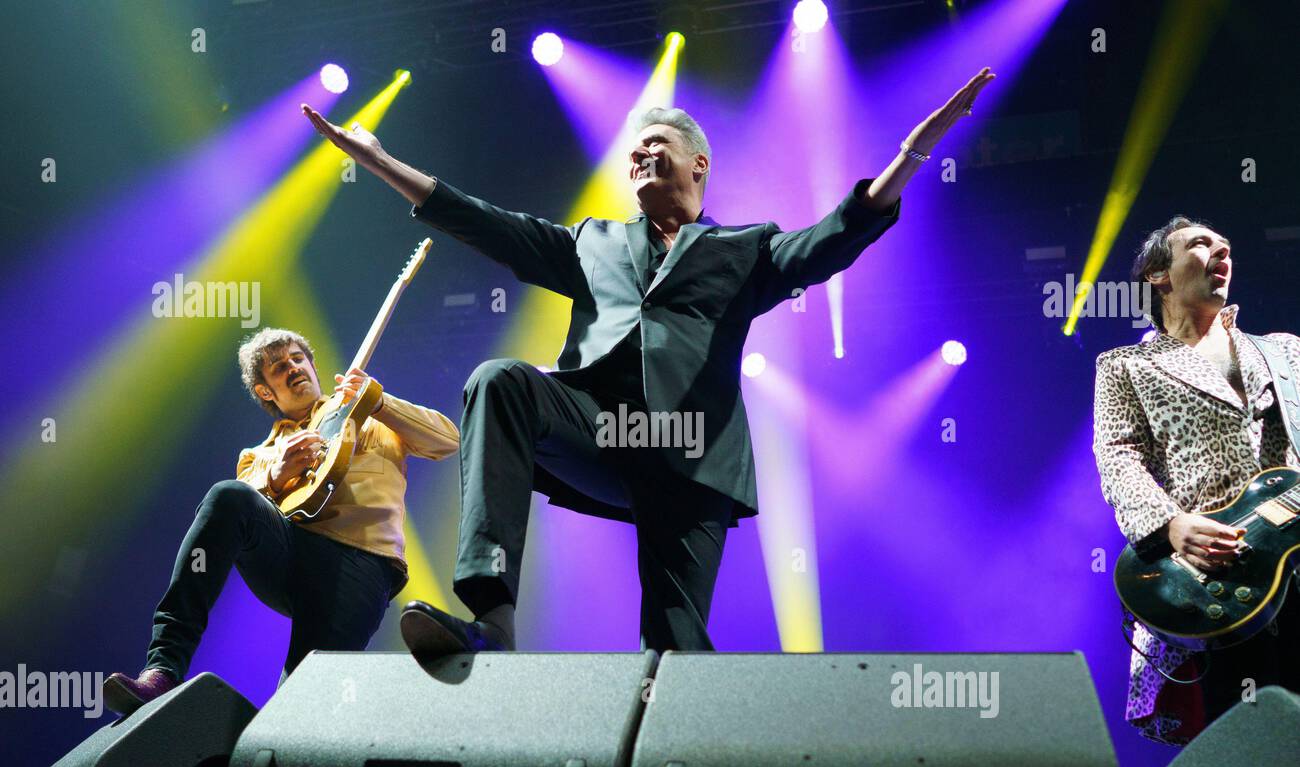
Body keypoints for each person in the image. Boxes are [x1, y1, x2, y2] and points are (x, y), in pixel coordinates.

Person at [302, 67, 995, 659]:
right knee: (501, 381)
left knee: (674, 644)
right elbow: (487, 223)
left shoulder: (744, 247)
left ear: (699, 163)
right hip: (602, 431)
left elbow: (829, 242)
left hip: (690, 454)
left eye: (655, 145)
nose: (638, 158)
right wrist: (380, 162)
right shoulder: (592, 242)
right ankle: (491, 622)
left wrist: (910, 153)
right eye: (632, 152)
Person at [101, 328, 459, 715]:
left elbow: (448, 441)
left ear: (312, 364)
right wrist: (277, 473)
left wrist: (379, 402)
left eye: (297, 358)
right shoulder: (259, 455)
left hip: (364, 563)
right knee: (228, 497)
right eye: (278, 367)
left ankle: (263, 756)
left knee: (300, 708)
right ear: (265, 391)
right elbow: (242, 499)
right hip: (292, 554)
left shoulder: (369, 416)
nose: (292, 368)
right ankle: (164, 669)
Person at [1093, 216, 1300, 744]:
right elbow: (1118, 457)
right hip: (1216, 576)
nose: (1222, 251)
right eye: (1202, 243)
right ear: (1159, 275)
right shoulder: (1125, 365)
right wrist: (1170, 525)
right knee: (1242, 756)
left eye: (1227, 246)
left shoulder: (1284, 350)